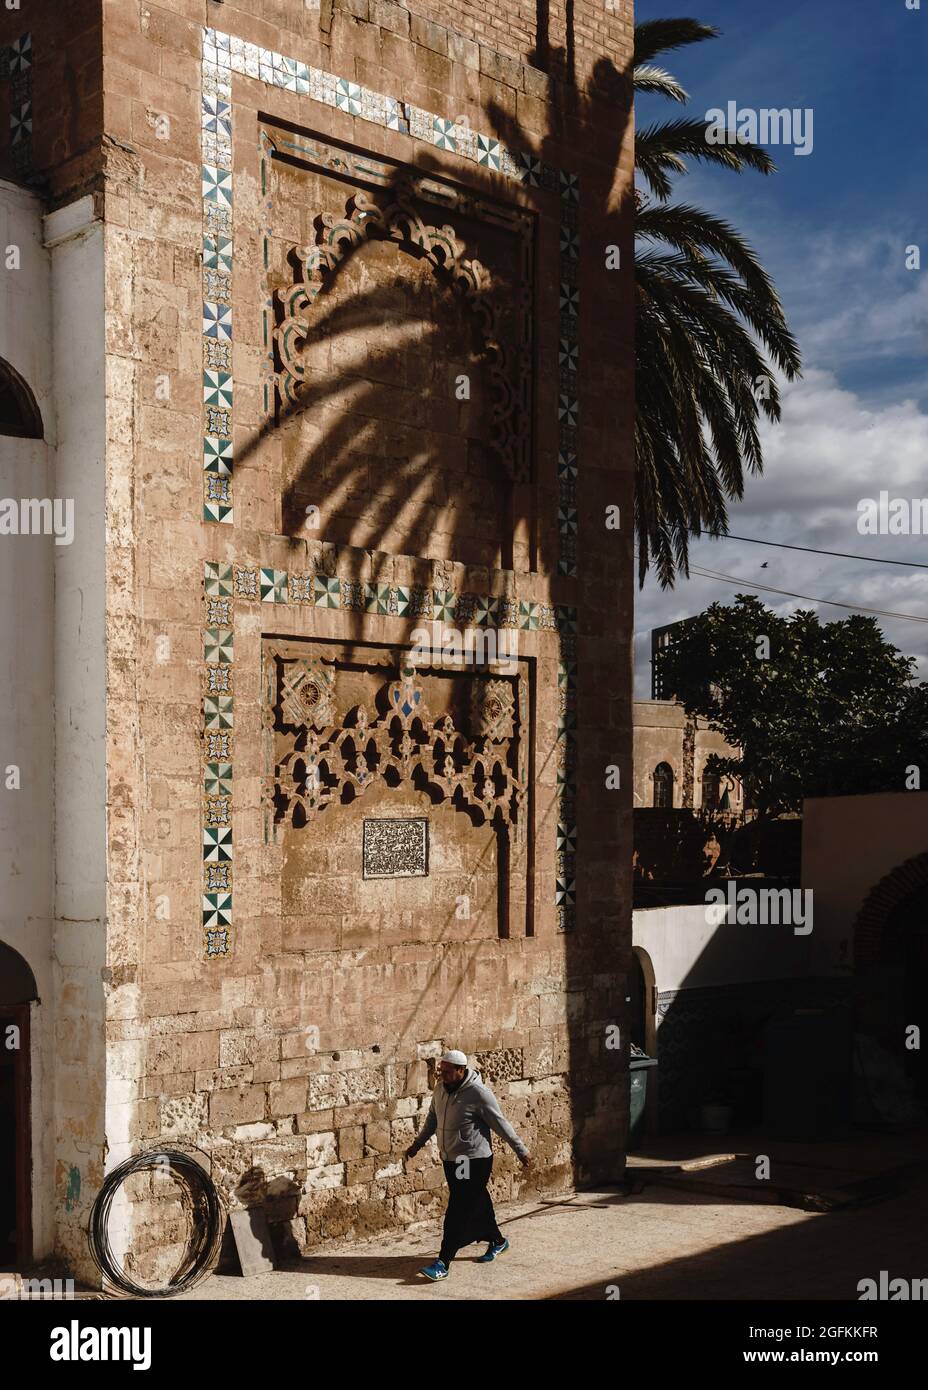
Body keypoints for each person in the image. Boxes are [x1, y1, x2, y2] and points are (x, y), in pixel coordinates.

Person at [404, 1049, 531, 1281]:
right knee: (476, 1200)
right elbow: (432, 1119)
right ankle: (498, 1241)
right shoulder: (440, 1090)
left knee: (459, 1206)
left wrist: (521, 1151)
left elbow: (501, 1124)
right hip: (450, 1159)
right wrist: (417, 1144)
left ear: (461, 1071)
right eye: (440, 1072)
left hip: (471, 1160)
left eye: (447, 1072)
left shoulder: (478, 1093)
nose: (442, 1076)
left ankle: (443, 1260)